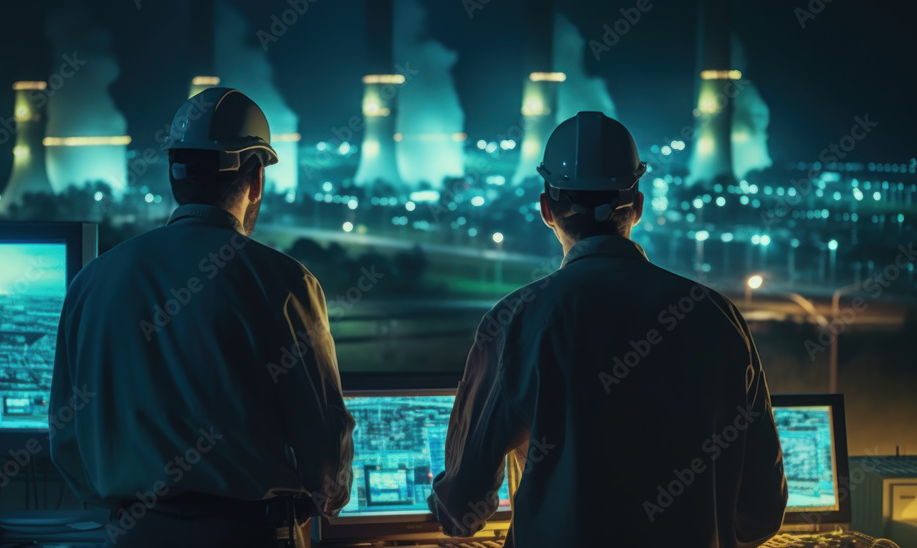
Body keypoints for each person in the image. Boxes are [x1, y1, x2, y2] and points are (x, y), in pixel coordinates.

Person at [427, 112, 788, 547]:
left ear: (546, 209)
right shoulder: (716, 317)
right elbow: (761, 514)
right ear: (637, 205)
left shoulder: (516, 321)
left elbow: (460, 509)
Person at [49, 87, 355, 548]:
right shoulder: (284, 282)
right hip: (251, 533)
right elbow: (323, 434)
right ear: (255, 179)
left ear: (176, 176)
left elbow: (66, 437)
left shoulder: (92, 282)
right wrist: (320, 499)